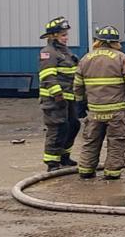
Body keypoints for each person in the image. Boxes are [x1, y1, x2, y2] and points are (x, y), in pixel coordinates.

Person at [73, 25, 125, 179]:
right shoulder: (121, 58)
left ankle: (86, 171)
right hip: (116, 111)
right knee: (117, 142)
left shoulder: (86, 58)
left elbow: (77, 85)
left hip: (94, 111)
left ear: (97, 41)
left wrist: (79, 104)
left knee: (91, 142)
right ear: (116, 42)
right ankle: (112, 174)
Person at [38, 16, 80, 171]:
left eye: (66, 34)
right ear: (53, 36)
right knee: (57, 128)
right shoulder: (48, 53)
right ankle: (52, 162)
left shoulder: (66, 53)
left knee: (73, 125)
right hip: (54, 100)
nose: (66, 38)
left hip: (69, 98)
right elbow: (48, 76)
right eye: (63, 35)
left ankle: (64, 156)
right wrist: (57, 95)